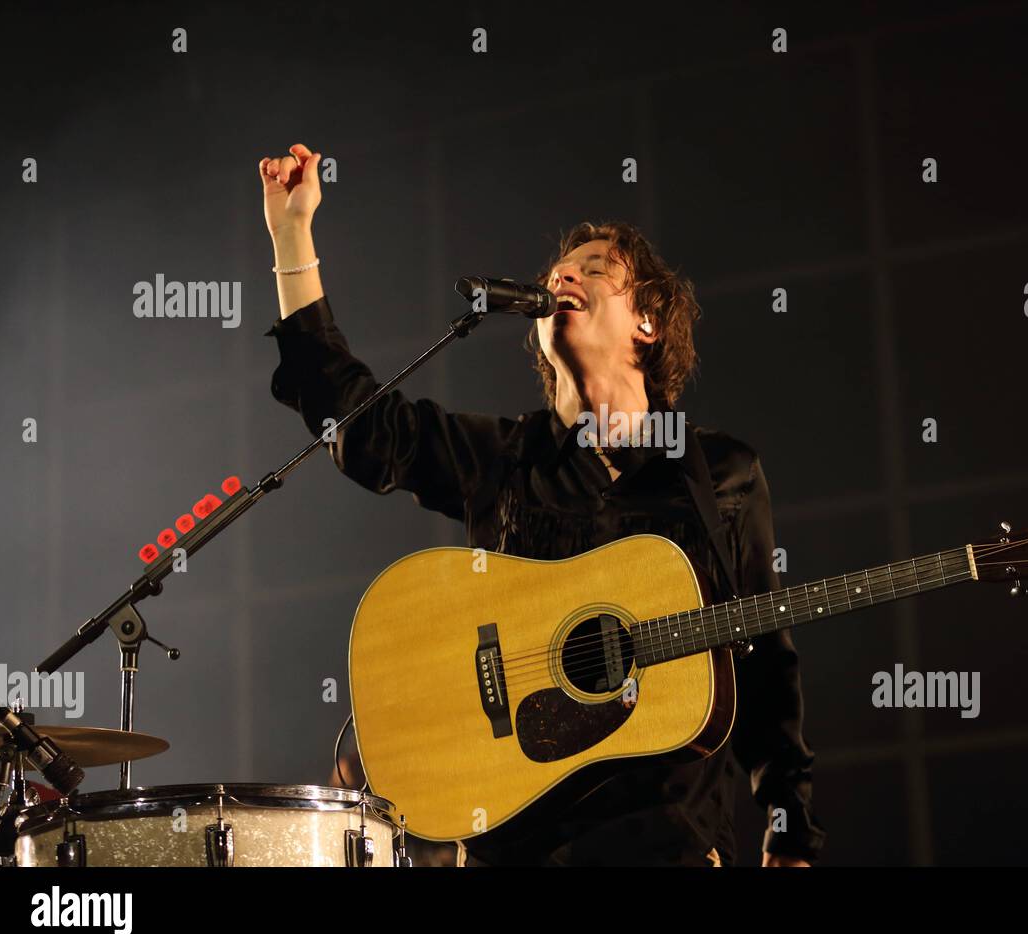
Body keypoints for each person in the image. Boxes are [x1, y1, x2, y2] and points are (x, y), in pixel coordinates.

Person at [259, 142, 826, 866]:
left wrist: (790, 825)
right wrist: (292, 235)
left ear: (647, 323)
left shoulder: (720, 474)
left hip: (666, 840)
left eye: (596, 270)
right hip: (516, 837)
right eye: (560, 271)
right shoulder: (504, 459)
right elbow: (359, 424)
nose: (564, 275)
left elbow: (765, 665)